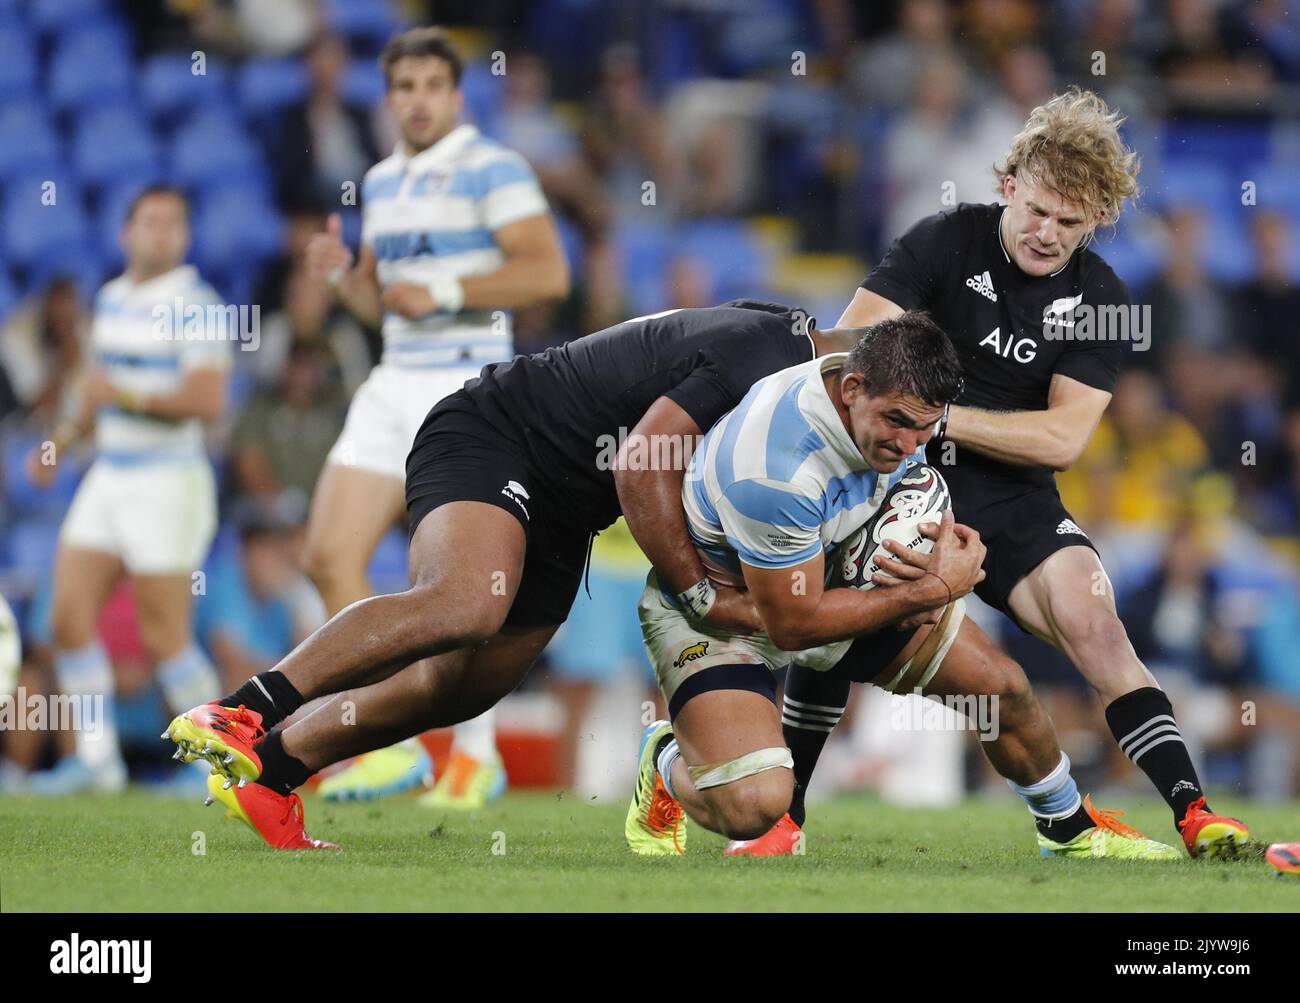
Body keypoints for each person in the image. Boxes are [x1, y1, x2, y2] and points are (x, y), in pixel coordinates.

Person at [165, 301, 910, 848]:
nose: (899, 437)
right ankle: (242, 707)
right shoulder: (763, 358)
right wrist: (697, 590)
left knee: (462, 684)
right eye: (894, 414)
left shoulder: (803, 365)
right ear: (854, 378)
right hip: (499, 432)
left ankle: (271, 772)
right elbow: (640, 461)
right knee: (462, 603)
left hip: (565, 508)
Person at [756, 88, 1248, 859]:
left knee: (1095, 621)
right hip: (895, 471)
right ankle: (784, 819)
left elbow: (1061, 438)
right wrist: (905, 427)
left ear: (1098, 222)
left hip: (1011, 490)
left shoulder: (1101, 297)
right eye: (1040, 211)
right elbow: (844, 346)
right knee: (837, 627)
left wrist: (937, 415)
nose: (1049, 234)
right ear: (1009, 184)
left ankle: (1196, 816)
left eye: (1071, 222)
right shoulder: (943, 241)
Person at [624, 315, 1178, 861]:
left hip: (827, 574)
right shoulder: (776, 469)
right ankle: (668, 757)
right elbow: (792, 627)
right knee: (754, 805)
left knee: (1000, 686)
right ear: (852, 389)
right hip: (723, 611)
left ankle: (1070, 832)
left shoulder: (881, 398)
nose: (910, 444)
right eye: (896, 421)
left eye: (926, 427)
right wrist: (926, 589)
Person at [297, 26, 571, 807]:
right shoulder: (381, 181)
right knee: (327, 554)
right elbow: (386, 305)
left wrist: (449, 291)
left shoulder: (493, 168)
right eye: (402, 87)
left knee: (454, 585)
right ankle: (396, 744)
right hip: (393, 381)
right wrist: (344, 279)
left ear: (455, 95)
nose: (415, 101)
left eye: (429, 85)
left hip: (463, 387)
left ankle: (476, 755)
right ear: (388, 100)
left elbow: (547, 271)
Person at [24, 185, 230, 793]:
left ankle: (218, 768)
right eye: (149, 222)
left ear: (185, 238)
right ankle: (98, 764)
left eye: (172, 223)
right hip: (110, 474)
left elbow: (208, 399)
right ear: (126, 234)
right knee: (67, 618)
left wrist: (127, 395)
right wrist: (58, 444)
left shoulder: (198, 305)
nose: (160, 233)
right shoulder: (111, 300)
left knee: (166, 637)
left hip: (169, 480)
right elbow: (93, 391)